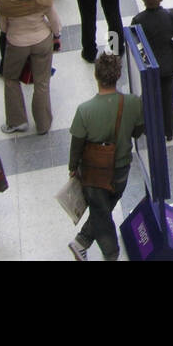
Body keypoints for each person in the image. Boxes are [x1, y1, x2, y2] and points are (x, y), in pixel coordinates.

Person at [67, 54, 145, 262]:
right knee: (104, 207)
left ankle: (110, 253)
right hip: (120, 170)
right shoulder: (133, 103)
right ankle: (81, 242)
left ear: (96, 75)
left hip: (94, 172)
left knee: (101, 211)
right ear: (118, 75)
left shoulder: (84, 111)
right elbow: (137, 132)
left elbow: (77, 145)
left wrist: (73, 167)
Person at [0, 0, 59, 135]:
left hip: (17, 42)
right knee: (42, 82)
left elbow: (2, 27)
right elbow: (54, 21)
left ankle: (17, 121)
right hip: (42, 40)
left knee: (10, 79)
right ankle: (43, 124)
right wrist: (56, 35)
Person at [130, 0, 173, 142]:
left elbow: (135, 43)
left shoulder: (138, 19)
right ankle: (169, 129)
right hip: (169, 65)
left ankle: (150, 127)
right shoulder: (171, 15)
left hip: (149, 66)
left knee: (150, 97)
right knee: (168, 97)